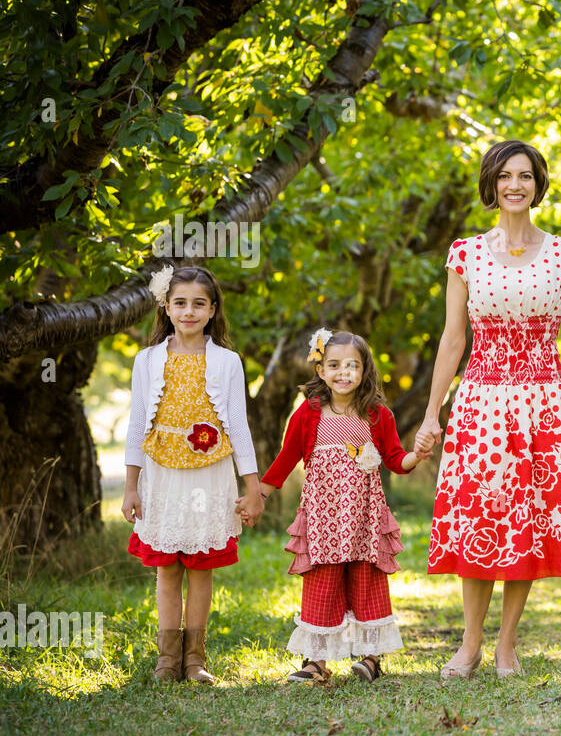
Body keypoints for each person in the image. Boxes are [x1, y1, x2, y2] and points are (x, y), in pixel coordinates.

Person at [418, 140, 561, 680]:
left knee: (529, 521)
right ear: (491, 184)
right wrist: (432, 412)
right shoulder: (465, 254)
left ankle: (507, 645)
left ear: (538, 185)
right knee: (478, 516)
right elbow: (452, 340)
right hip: (481, 403)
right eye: (504, 176)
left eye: (525, 175)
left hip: (544, 401)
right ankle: (469, 644)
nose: (515, 185)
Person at [122, 265, 264, 684]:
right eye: (180, 303)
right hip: (161, 474)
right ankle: (167, 660)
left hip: (210, 473)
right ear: (166, 308)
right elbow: (135, 426)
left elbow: (237, 425)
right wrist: (131, 486)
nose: (188, 311)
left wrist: (252, 487)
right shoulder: (147, 360)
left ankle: (194, 659)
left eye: (198, 303)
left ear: (212, 309)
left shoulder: (227, 361)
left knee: (201, 567)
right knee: (167, 568)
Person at [259, 330, 427, 683]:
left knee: (367, 579)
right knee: (323, 581)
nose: (343, 373)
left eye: (352, 365)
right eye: (334, 365)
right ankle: (316, 662)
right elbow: (286, 458)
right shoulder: (308, 413)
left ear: (365, 370)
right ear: (321, 371)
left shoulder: (378, 415)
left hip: (365, 516)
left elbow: (395, 458)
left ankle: (370, 657)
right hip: (324, 516)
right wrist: (260, 494)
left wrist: (415, 457)